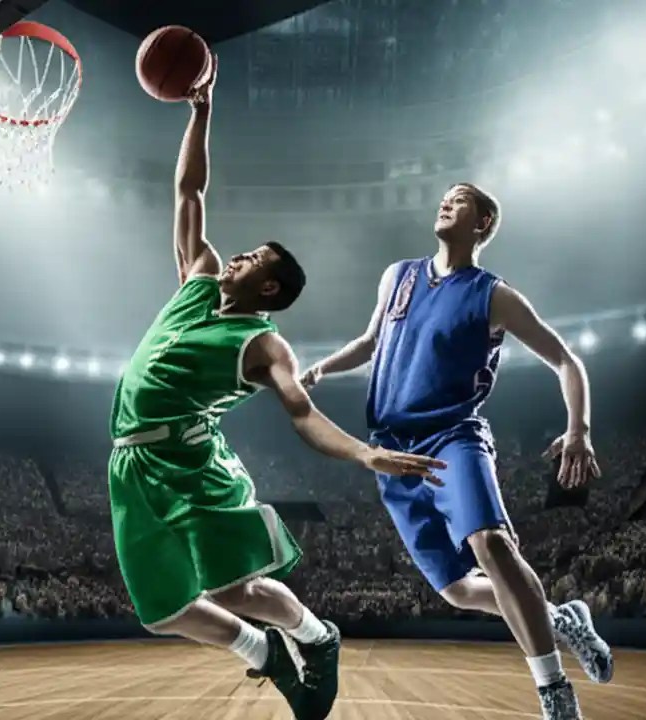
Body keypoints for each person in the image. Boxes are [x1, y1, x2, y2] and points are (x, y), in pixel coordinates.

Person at [107, 56, 446, 720]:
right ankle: (262, 653)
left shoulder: (264, 344)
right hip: (130, 462)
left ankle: (317, 639)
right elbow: (189, 194)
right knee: (164, 612)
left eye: (253, 258)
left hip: (188, 462)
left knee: (235, 587)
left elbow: (302, 413)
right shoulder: (196, 279)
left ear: (268, 288)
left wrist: (364, 453)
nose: (234, 255)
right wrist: (202, 112)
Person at [302, 183, 614, 719]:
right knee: (457, 591)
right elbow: (371, 341)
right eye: (443, 196)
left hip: (452, 436)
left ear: (483, 222)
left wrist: (579, 429)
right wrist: (324, 368)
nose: (445, 202)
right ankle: (560, 621)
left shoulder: (494, 295)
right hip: (391, 452)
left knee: (490, 544)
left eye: (460, 198)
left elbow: (566, 360)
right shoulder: (397, 276)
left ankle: (554, 691)